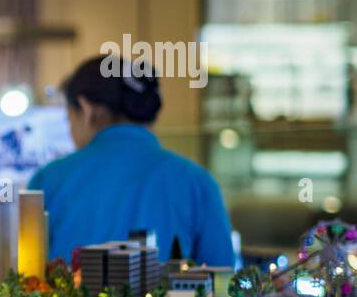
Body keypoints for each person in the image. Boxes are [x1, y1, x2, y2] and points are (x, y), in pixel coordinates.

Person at [28, 55, 235, 266]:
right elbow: (222, 276)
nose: (70, 129)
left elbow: (25, 277)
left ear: (87, 109)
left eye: (68, 118)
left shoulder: (48, 180)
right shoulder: (197, 182)